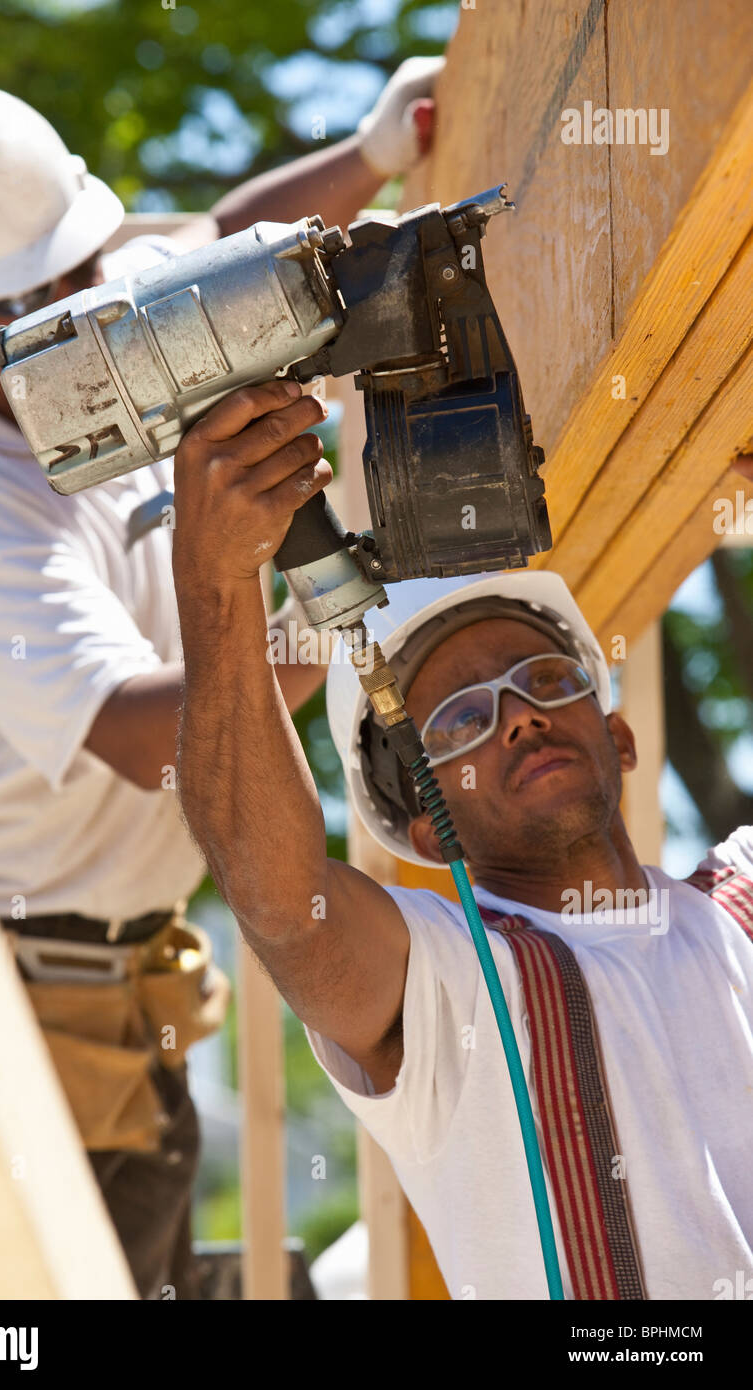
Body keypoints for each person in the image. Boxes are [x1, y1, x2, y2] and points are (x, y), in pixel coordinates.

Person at [0, 58, 443, 1300]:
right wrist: (337, 578)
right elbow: (160, 740)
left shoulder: (80, 320)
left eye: (82, 268)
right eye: (35, 293)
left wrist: (369, 154)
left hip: (123, 1011)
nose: (83, 304)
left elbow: (214, 246)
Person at [170, 381, 753, 1299]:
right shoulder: (450, 981)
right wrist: (218, 589)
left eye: (548, 677)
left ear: (622, 738)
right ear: (421, 831)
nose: (518, 717)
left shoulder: (739, 907)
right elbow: (284, 902)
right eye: (460, 722)